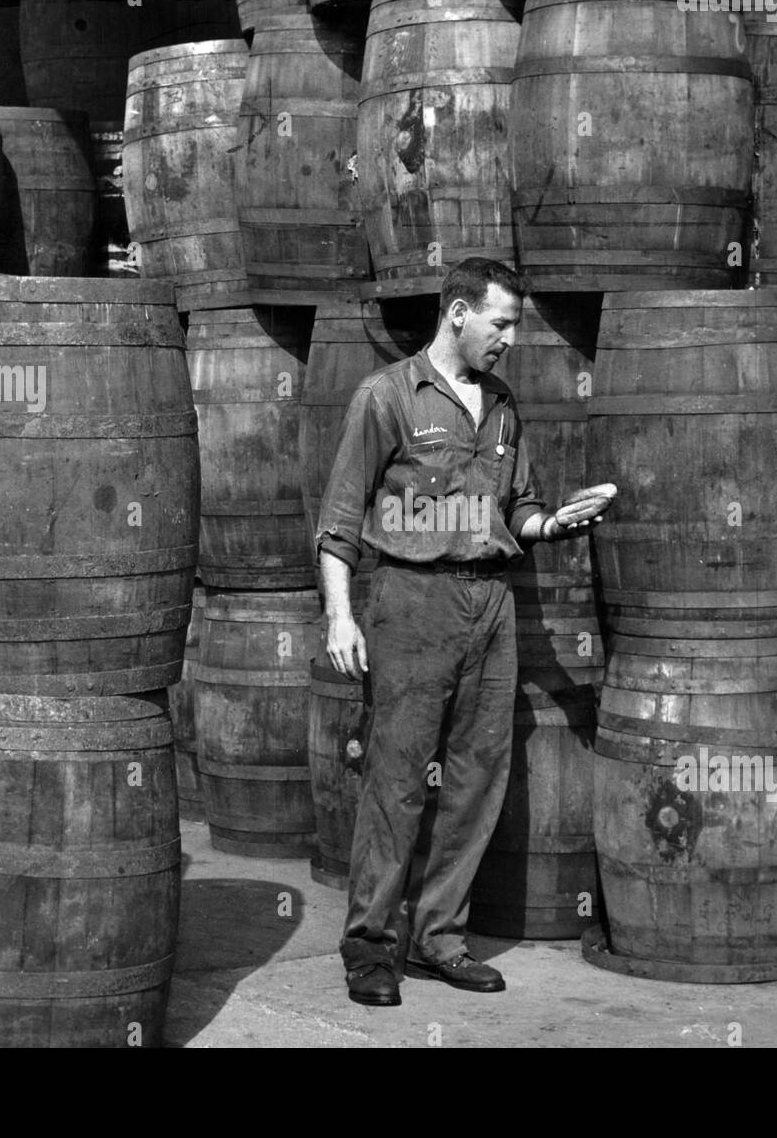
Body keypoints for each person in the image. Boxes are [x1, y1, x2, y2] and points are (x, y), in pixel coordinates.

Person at [316, 257, 614, 1007]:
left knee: (478, 782)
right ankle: (370, 945)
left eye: (514, 326)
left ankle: (438, 937)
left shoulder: (505, 406)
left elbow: (514, 506)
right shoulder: (386, 396)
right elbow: (340, 521)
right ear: (457, 313)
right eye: (501, 323)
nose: (510, 339)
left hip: (492, 608)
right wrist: (340, 613)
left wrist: (552, 522)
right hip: (413, 605)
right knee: (396, 780)